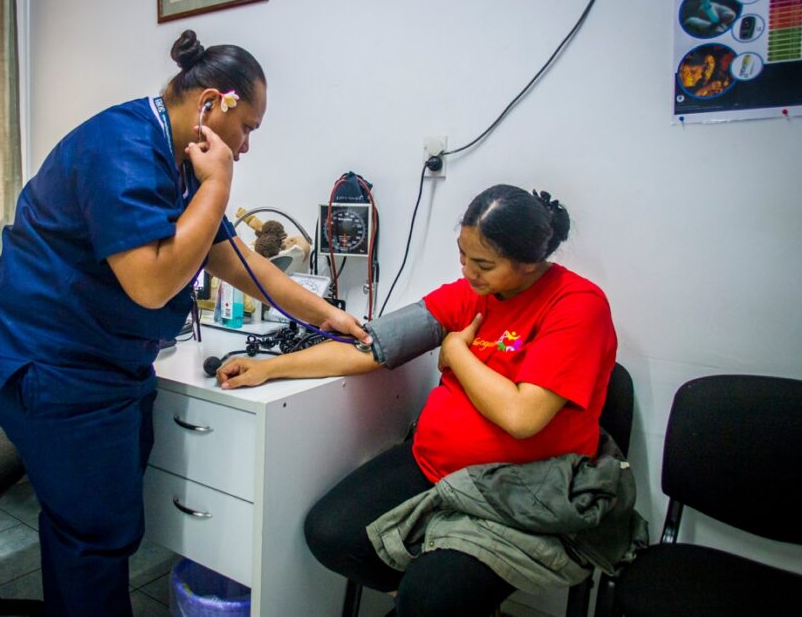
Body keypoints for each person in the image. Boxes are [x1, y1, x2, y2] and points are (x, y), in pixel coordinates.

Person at [0, 30, 368, 617]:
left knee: (101, 520)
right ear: (211, 104)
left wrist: (332, 315)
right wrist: (221, 185)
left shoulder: (176, 163)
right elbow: (151, 283)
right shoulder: (121, 148)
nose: (246, 145)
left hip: (103, 360)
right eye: (247, 126)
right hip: (43, 358)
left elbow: (243, 264)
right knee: (94, 535)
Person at [216, 184, 621, 616]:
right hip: (433, 466)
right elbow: (371, 347)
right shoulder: (471, 292)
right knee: (329, 534)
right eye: (462, 254)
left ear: (528, 263)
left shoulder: (577, 306)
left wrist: (457, 354)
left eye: (483, 263)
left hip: (517, 491)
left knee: (431, 599)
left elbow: (522, 416)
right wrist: (269, 368)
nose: (467, 271)